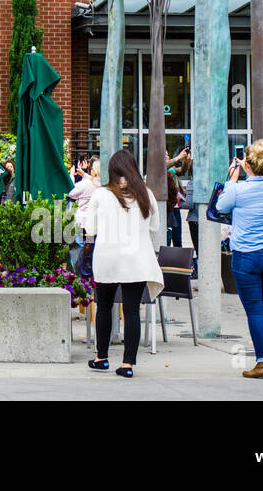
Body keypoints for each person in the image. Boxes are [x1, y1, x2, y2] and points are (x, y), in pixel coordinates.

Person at [84, 149, 163, 378]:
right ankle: (128, 364)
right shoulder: (145, 194)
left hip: (107, 258)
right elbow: (154, 227)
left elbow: (90, 229)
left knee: (104, 307)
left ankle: (102, 357)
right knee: (131, 311)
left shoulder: (101, 195)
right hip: (137, 259)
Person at [216, 140, 263, 380]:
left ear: (246, 164)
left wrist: (231, 179)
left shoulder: (237, 190)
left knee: (255, 312)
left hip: (247, 257)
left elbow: (220, 205)